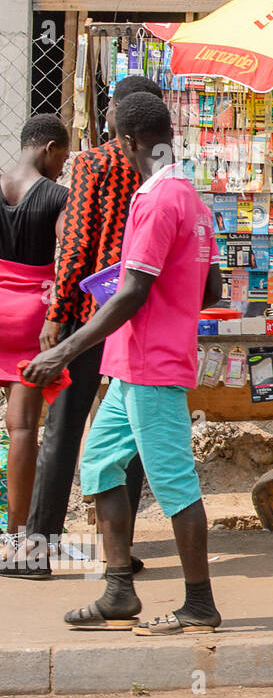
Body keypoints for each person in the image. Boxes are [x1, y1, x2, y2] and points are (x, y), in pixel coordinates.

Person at [23, 92, 223, 634]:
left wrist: (64, 348)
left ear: (131, 141)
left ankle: (199, 603)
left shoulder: (158, 200)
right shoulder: (191, 199)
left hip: (151, 366)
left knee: (175, 482)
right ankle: (118, 591)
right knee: (101, 465)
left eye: (116, 136)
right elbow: (209, 285)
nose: (115, 145)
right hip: (132, 364)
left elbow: (134, 290)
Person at [2, 77, 162, 579]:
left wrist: (58, 313)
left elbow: (74, 244)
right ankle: (120, 550)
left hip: (88, 312)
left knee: (63, 429)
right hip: (138, 311)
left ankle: (37, 548)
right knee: (131, 429)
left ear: (117, 113)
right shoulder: (165, 171)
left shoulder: (92, 163)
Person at [0, 115, 70, 551]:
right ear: (48, 148)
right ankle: (16, 533)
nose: (62, 165)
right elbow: (70, 256)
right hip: (33, 315)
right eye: (61, 156)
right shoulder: (58, 196)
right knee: (23, 427)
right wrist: (58, 316)